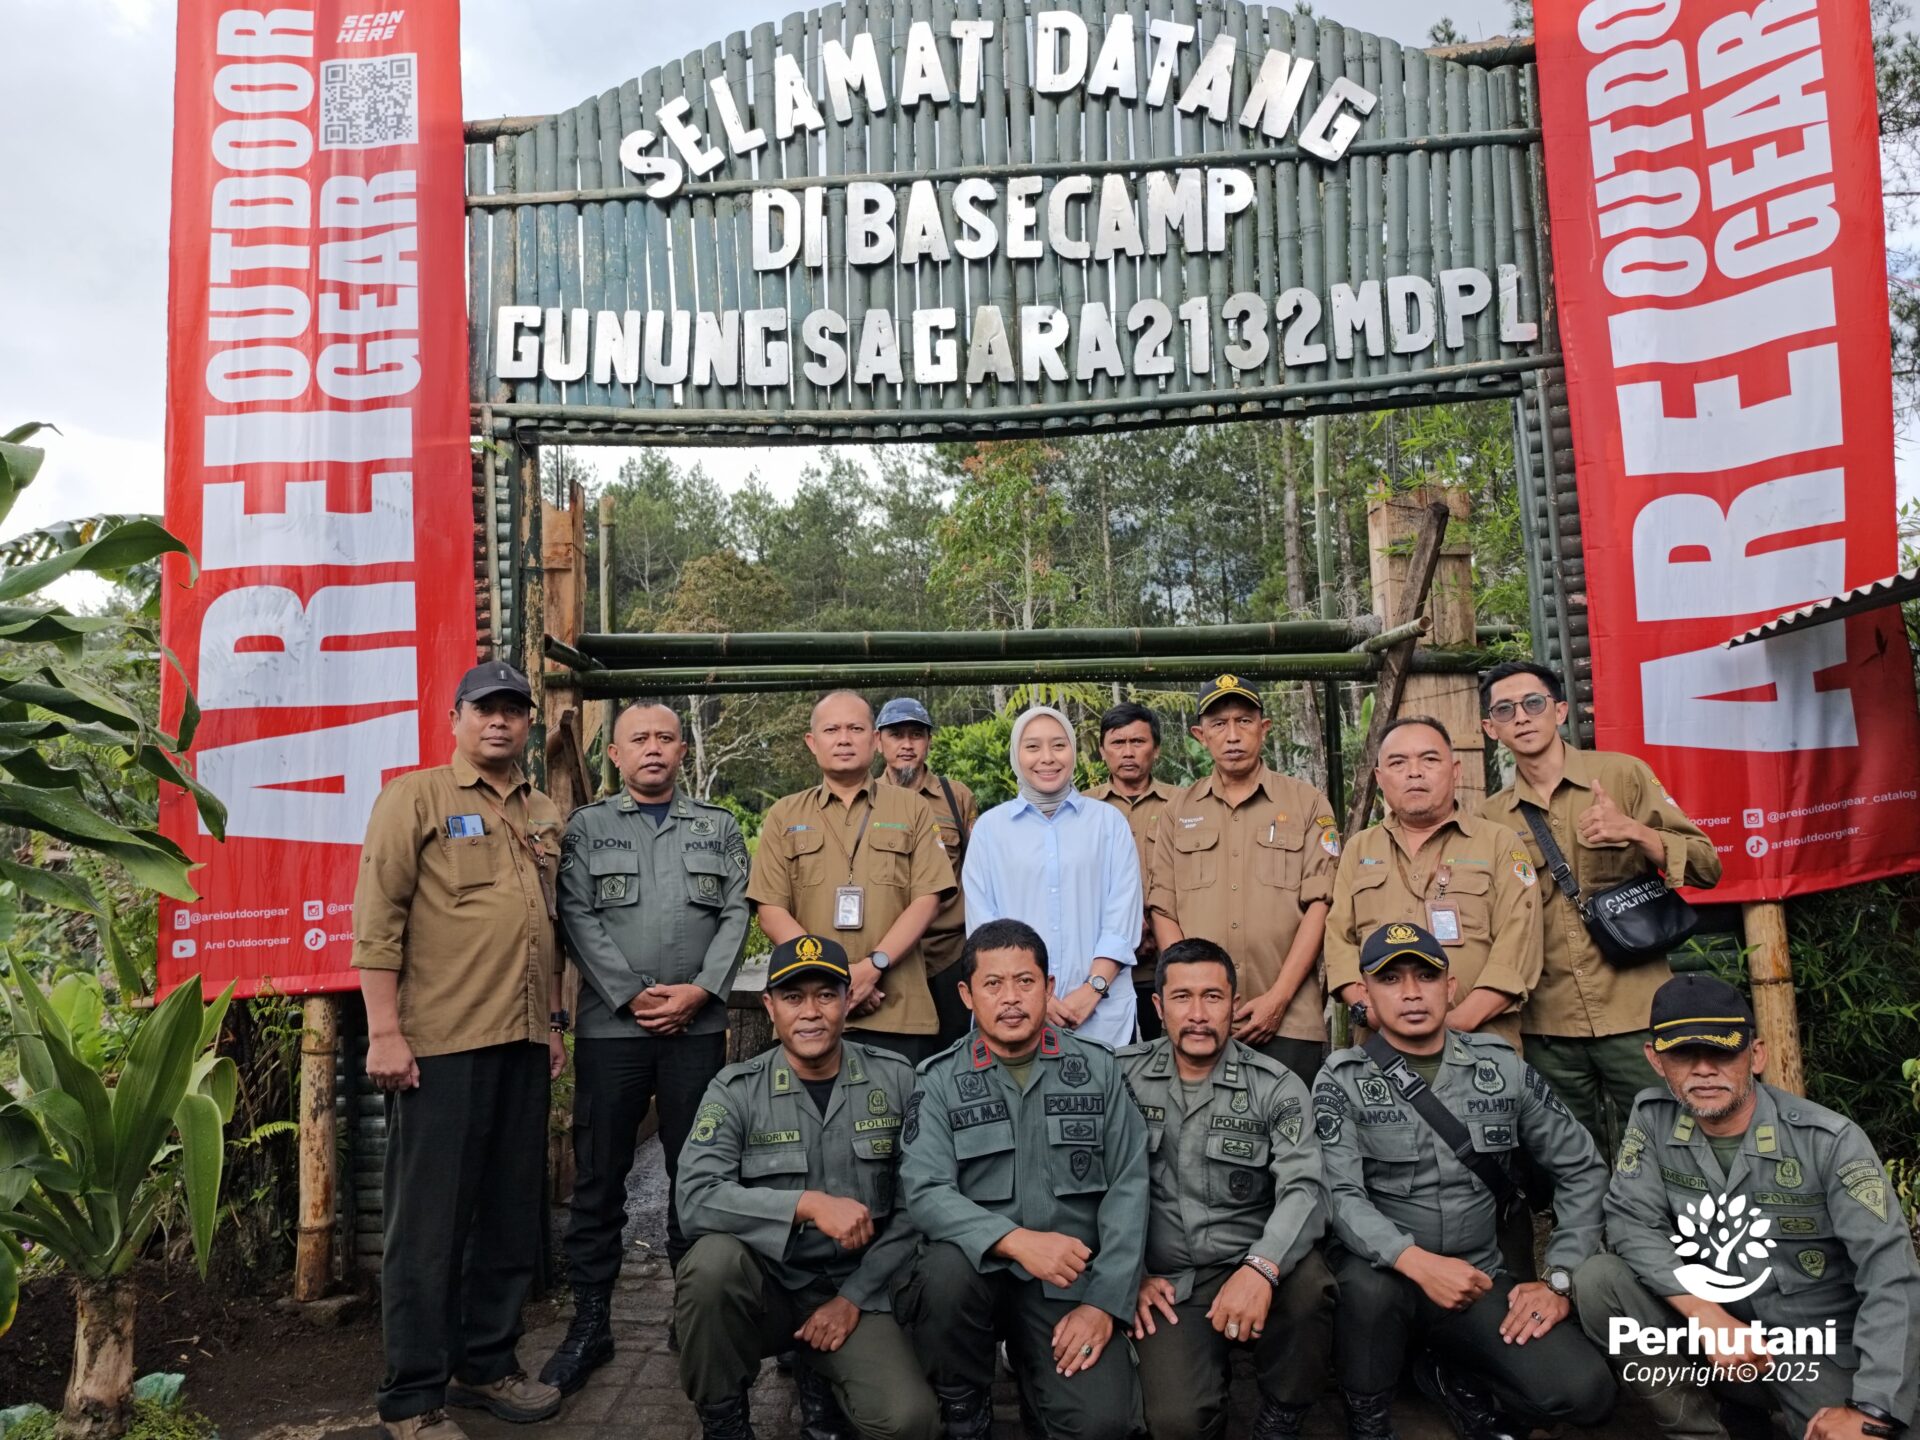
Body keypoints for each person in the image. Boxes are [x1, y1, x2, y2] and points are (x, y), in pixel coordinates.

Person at [351, 661, 568, 1440]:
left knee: (512, 1217)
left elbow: (547, 927)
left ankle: (486, 1363)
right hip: (439, 1045)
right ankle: (413, 1397)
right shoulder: (416, 799)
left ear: (528, 723)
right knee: (428, 1230)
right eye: (486, 710)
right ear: (456, 718)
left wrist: (551, 1025)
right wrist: (385, 1031)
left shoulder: (544, 811)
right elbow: (378, 920)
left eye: (515, 710)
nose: (501, 723)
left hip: (519, 1040)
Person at [1575, 974, 1920, 1440]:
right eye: (1682, 1054)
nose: (1703, 1069)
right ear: (1655, 1060)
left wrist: (1871, 1409)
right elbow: (1631, 1220)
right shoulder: (1653, 1117)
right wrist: (1705, 1314)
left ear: (1755, 1054)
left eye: (1722, 1051)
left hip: (1814, 1346)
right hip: (1710, 1334)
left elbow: (1891, 1276)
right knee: (1600, 1281)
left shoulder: (1828, 1141)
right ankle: (1703, 1429)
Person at [1314, 923, 1616, 1440]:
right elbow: (1338, 1195)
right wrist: (1418, 1262)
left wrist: (1559, 1278)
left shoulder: (1501, 1069)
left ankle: (1450, 1372)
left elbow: (1583, 1168)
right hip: (1386, 1276)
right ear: (1365, 995)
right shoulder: (1340, 1079)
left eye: (1425, 977)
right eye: (1391, 979)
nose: (1411, 992)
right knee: (1366, 1291)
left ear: (1450, 988)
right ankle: (1367, 1412)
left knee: (1587, 1393)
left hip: (1477, 1278)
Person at [540, 700, 750, 1394]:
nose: (653, 748)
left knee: (698, 1172)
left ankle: (692, 1316)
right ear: (617, 756)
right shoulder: (587, 829)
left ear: (682, 752)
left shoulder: (716, 829)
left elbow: (737, 912)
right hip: (611, 1031)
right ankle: (591, 1324)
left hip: (697, 1028)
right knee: (599, 1179)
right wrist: (630, 994)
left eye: (665, 737)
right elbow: (576, 913)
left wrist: (701, 990)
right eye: (640, 739)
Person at [673, 935, 939, 1440]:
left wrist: (854, 1298)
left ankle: (826, 1369)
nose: (811, 1012)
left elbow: (917, 1209)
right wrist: (806, 1204)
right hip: (768, 1290)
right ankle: (725, 1424)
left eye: (825, 995)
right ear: (770, 1007)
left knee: (911, 1423)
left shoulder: (896, 1080)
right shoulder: (735, 1090)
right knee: (710, 1265)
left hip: (855, 1290)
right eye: (794, 997)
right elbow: (694, 1198)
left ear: (847, 1001)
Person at [896, 918, 1149, 1440]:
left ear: (1049, 988)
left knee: (1101, 1425)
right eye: (993, 984)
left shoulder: (1097, 1070)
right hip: (975, 1278)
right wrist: (1014, 1241)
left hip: (1066, 1285)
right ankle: (965, 1405)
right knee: (942, 1272)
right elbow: (925, 1193)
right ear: (967, 994)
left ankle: (1044, 1395)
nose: (1010, 998)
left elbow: (1129, 1185)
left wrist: (1104, 1304)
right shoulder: (941, 1080)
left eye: (1025, 982)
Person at [1477, 660, 1723, 1156]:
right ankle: (1594, 1237)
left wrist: (1634, 831)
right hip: (1547, 1022)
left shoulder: (1620, 774)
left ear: (1559, 710)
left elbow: (1706, 864)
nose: (1521, 717)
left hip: (1633, 1008)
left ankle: (1674, 1234)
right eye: (1505, 709)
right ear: (1491, 728)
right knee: (1573, 1158)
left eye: (1533, 703)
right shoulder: (1489, 818)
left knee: (1673, 1146)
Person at [1119, 938, 1337, 1440]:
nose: (1198, 1014)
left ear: (1234, 1005)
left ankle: (1282, 1413)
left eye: (1213, 998)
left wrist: (1261, 1268)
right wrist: (1132, 1272)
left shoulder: (1276, 1085)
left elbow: (1305, 1188)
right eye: (1182, 998)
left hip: (1257, 1262)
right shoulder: (1121, 1078)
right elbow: (1090, 1188)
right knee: (1176, 1423)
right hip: (1169, 1283)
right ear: (1158, 1006)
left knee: (1311, 1287)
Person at [1146, 675, 1341, 1086]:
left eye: (1244, 721)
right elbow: (1163, 908)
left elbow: (1320, 906)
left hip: (1289, 1019)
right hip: (1199, 1024)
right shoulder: (1176, 811)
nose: (1232, 735)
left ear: (1264, 728)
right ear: (1200, 735)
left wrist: (1278, 998)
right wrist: (1194, 993)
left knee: (1291, 1142)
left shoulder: (1307, 804)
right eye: (1219, 724)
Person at [750, 691, 956, 1065]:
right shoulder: (784, 814)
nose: (843, 739)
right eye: (831, 730)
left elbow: (927, 899)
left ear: (874, 740)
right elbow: (770, 909)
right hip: (808, 1014)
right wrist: (834, 978)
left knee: (899, 1121)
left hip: (898, 1011)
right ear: (812, 743)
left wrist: (874, 966)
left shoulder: (912, 809)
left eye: (855, 728)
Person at [1326, 716, 1542, 1056]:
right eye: (1398, 763)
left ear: (1455, 771)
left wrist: (1453, 1026)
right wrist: (1371, 1013)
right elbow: (1339, 940)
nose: (1414, 772)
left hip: (1480, 1046)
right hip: (1379, 1048)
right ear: (1380, 778)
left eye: (1429, 759)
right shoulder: (1360, 849)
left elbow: (1519, 947)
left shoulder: (1498, 843)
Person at [961, 706, 1142, 1048]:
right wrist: (1035, 999)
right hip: (1013, 1015)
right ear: (1016, 754)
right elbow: (984, 930)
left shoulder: (1109, 823)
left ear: (1074, 751)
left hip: (1101, 1016)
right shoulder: (990, 830)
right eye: (1032, 747)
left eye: (1059, 745)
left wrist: (1093, 990)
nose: (1047, 758)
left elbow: (1122, 918)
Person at [874, 696, 978, 1048]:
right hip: (887, 957)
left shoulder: (956, 797)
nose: (906, 744)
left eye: (916, 734)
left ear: (929, 741)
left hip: (947, 954)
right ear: (878, 742)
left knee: (955, 1054)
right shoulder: (865, 798)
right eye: (896, 734)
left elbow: (976, 871)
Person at [1086, 701, 1180, 1040]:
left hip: (1169, 965)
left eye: (1138, 742)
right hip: (1099, 971)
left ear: (1155, 748)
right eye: (1118, 743)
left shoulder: (1184, 806)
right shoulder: (1082, 809)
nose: (1128, 752)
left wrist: (1156, 927)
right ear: (1102, 750)